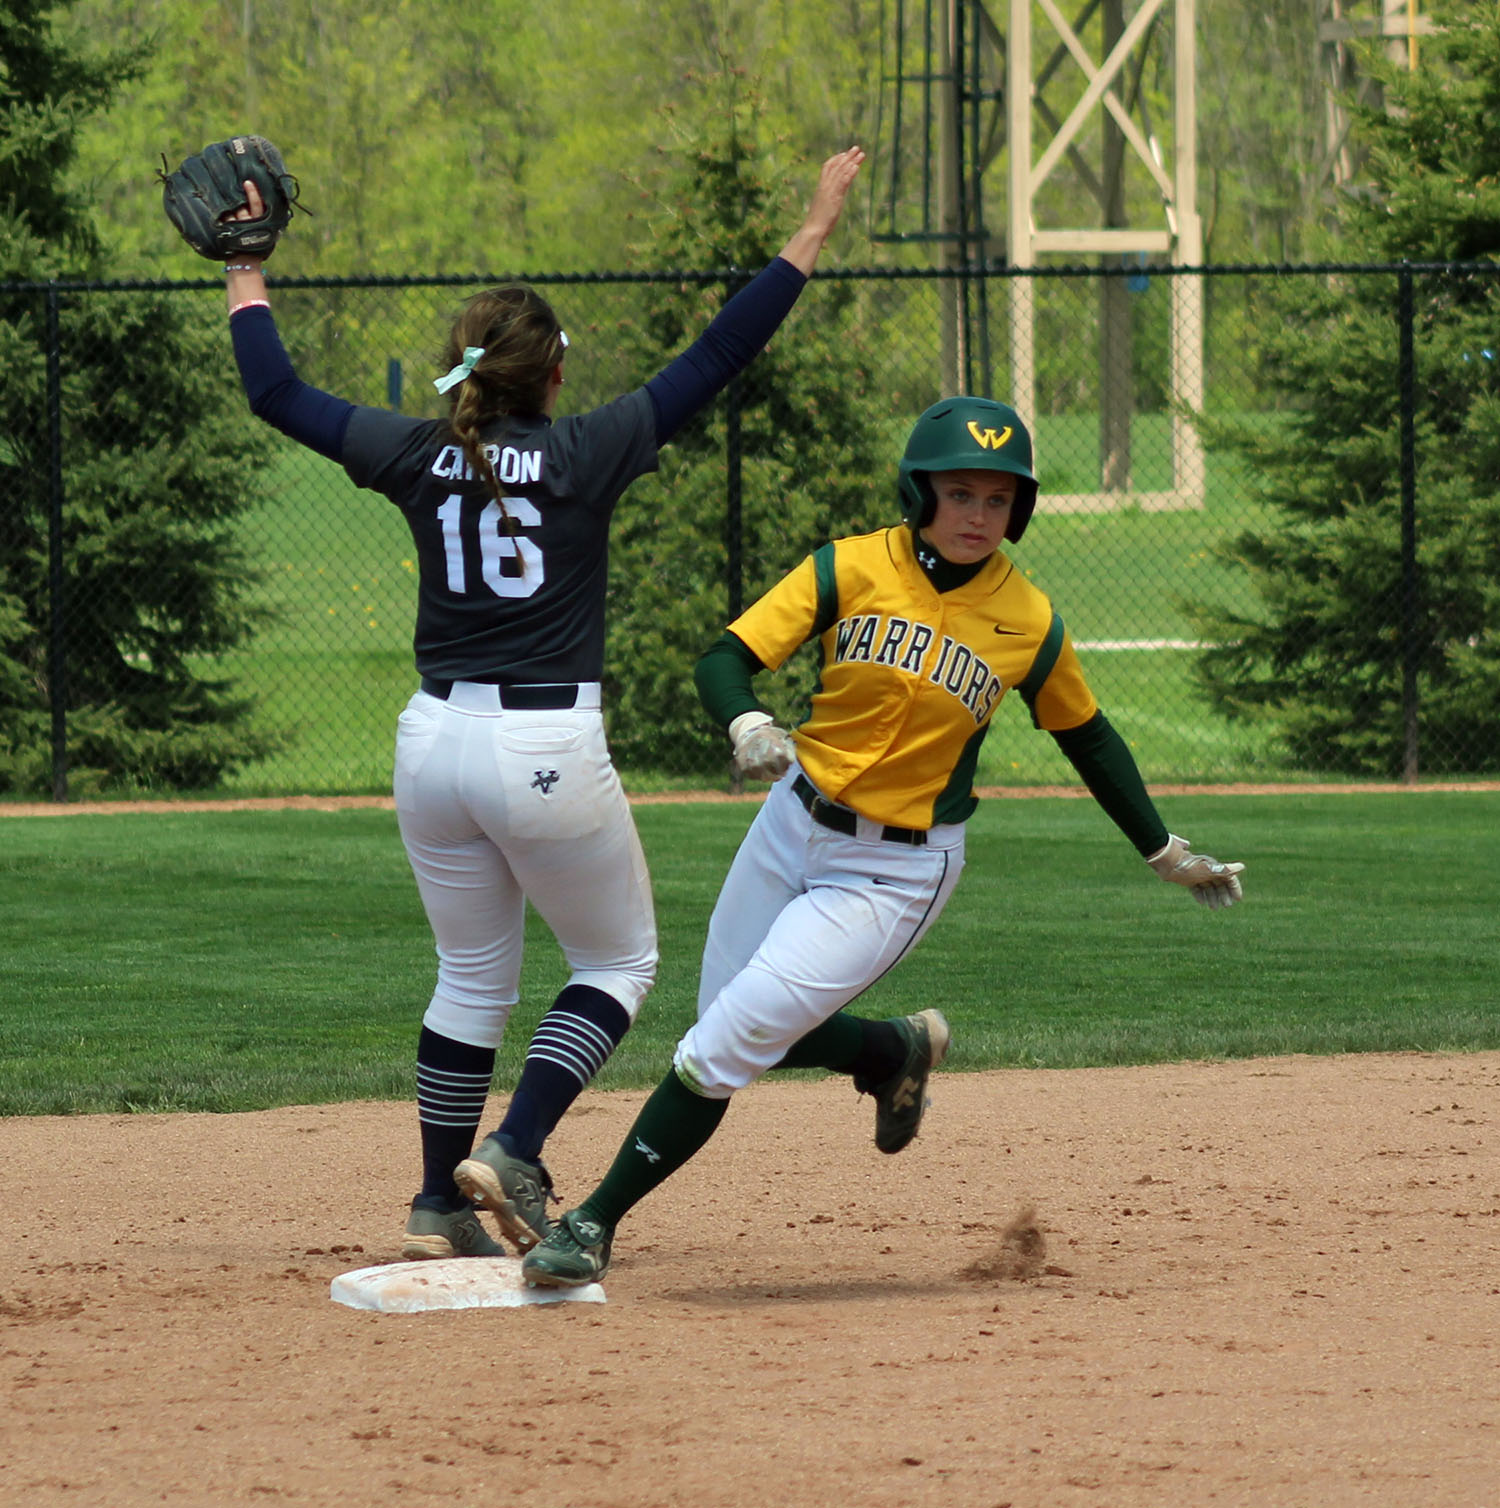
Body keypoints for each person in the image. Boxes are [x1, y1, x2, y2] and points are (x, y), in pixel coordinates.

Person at [218, 146, 866, 1260]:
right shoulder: (586, 449)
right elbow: (719, 352)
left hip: (433, 744)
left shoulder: (414, 448)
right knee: (617, 964)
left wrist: (245, 263)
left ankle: (434, 1201)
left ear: (463, 369)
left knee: (472, 975)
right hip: (544, 743)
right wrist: (809, 231)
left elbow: (272, 391)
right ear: (554, 373)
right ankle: (513, 1143)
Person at [520, 394, 1246, 1287]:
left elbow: (1087, 736)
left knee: (721, 1047)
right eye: (960, 493)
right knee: (740, 1031)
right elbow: (724, 656)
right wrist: (747, 721)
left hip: (895, 870)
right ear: (921, 491)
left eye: (997, 499)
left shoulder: (1029, 620)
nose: (979, 515)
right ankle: (889, 1050)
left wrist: (1162, 849)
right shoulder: (851, 566)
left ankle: (591, 1224)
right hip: (791, 822)